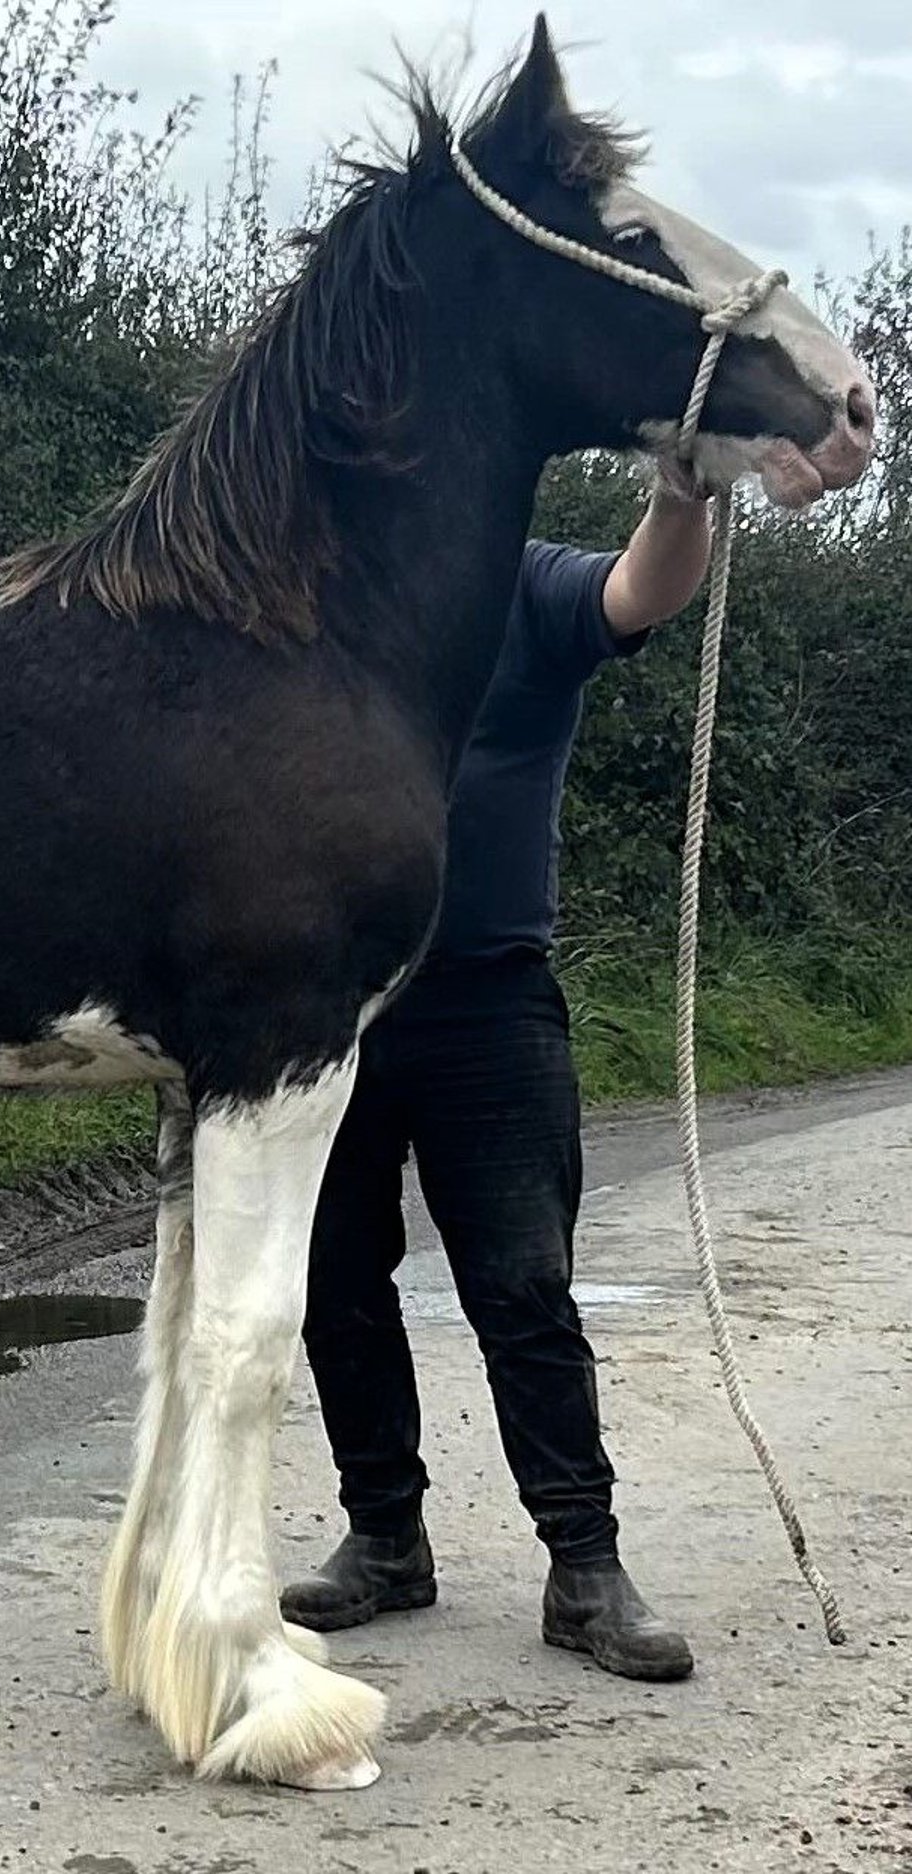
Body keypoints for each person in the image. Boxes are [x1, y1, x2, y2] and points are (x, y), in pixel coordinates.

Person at [282, 469, 714, 1681]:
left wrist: (683, 496)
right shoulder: (323, 607)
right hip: (335, 1006)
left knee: (525, 1288)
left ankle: (585, 1567)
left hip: (490, 1002)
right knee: (334, 1282)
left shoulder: (528, 587)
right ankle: (385, 1538)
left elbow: (640, 591)